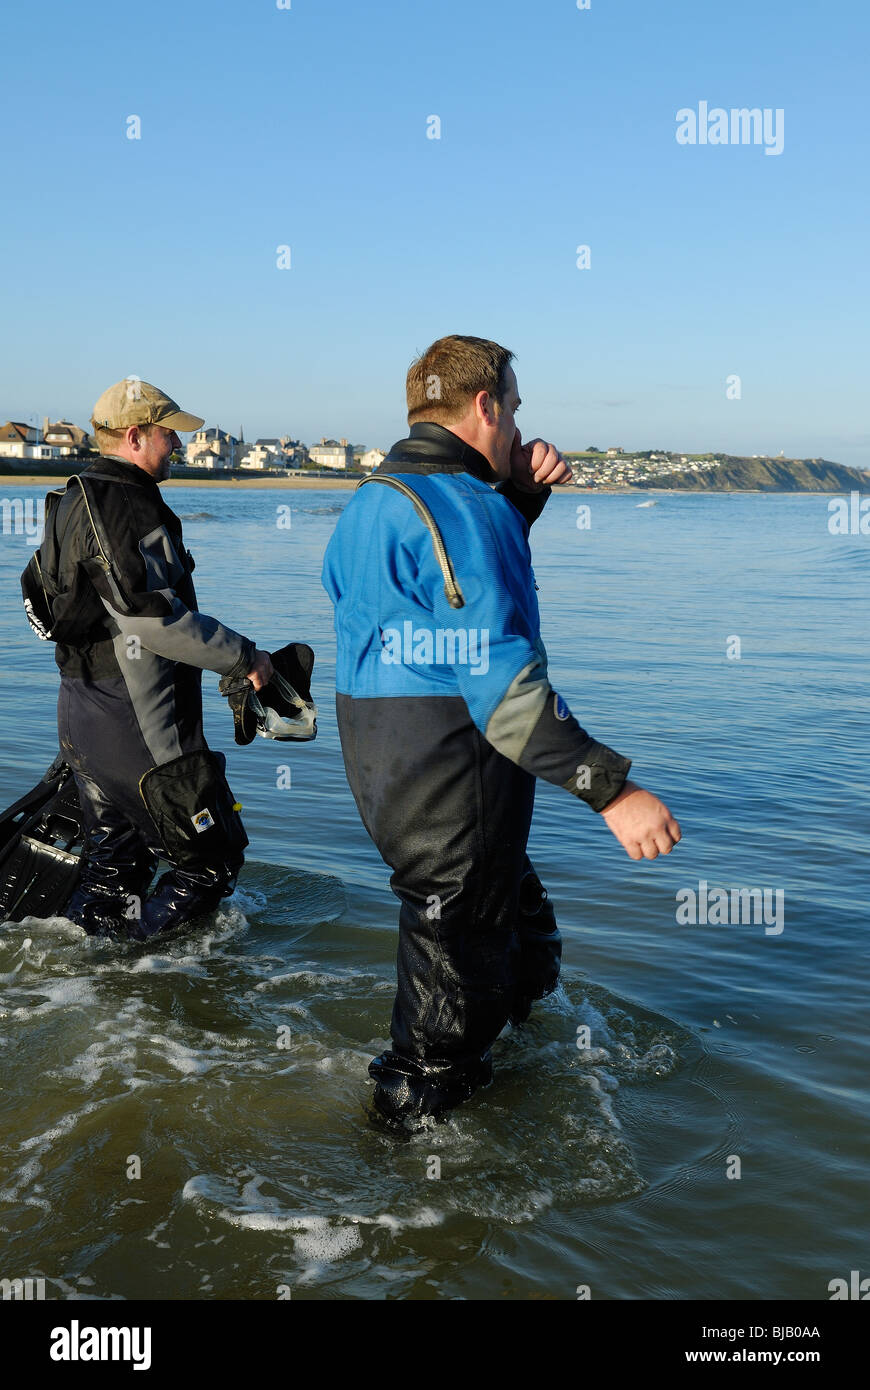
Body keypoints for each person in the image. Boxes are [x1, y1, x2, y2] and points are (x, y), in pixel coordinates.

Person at [322, 335, 681, 1126]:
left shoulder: (375, 499)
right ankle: (401, 1196)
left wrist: (519, 499)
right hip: (454, 782)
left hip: (388, 772)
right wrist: (613, 792)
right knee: (438, 1044)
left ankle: (493, 1081)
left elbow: (434, 610)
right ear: (484, 406)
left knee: (523, 945)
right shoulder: (468, 513)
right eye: (513, 410)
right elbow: (510, 698)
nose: (519, 428)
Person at [24, 376, 274, 942]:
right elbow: (150, 621)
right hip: (141, 722)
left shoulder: (71, 499)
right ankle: (141, 970)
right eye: (170, 435)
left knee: (115, 868)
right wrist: (244, 657)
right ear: (135, 436)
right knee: (211, 860)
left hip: (85, 717)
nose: (180, 446)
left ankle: (79, 976)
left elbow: (47, 606)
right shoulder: (126, 503)